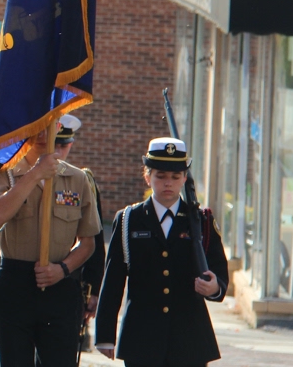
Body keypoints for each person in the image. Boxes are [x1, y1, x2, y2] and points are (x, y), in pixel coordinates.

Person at [95, 138, 229, 367]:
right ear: (147, 177)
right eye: (161, 176)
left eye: (175, 177)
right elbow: (113, 280)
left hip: (189, 338)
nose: (168, 183)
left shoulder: (201, 221)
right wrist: (105, 334)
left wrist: (214, 287)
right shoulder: (129, 220)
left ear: (185, 178)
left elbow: (219, 271)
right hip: (142, 338)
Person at [0, 126, 101, 367]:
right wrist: (35, 174)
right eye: (36, 127)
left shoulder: (76, 178)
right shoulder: (0, 171)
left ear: (58, 128)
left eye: (48, 127)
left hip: (59, 285)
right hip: (15, 284)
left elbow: (88, 242)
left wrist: (63, 269)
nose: (43, 135)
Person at [52, 114, 105, 354]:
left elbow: (94, 238)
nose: (58, 151)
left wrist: (93, 289)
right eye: (54, 144)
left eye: (63, 145)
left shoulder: (82, 181)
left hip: (69, 277)